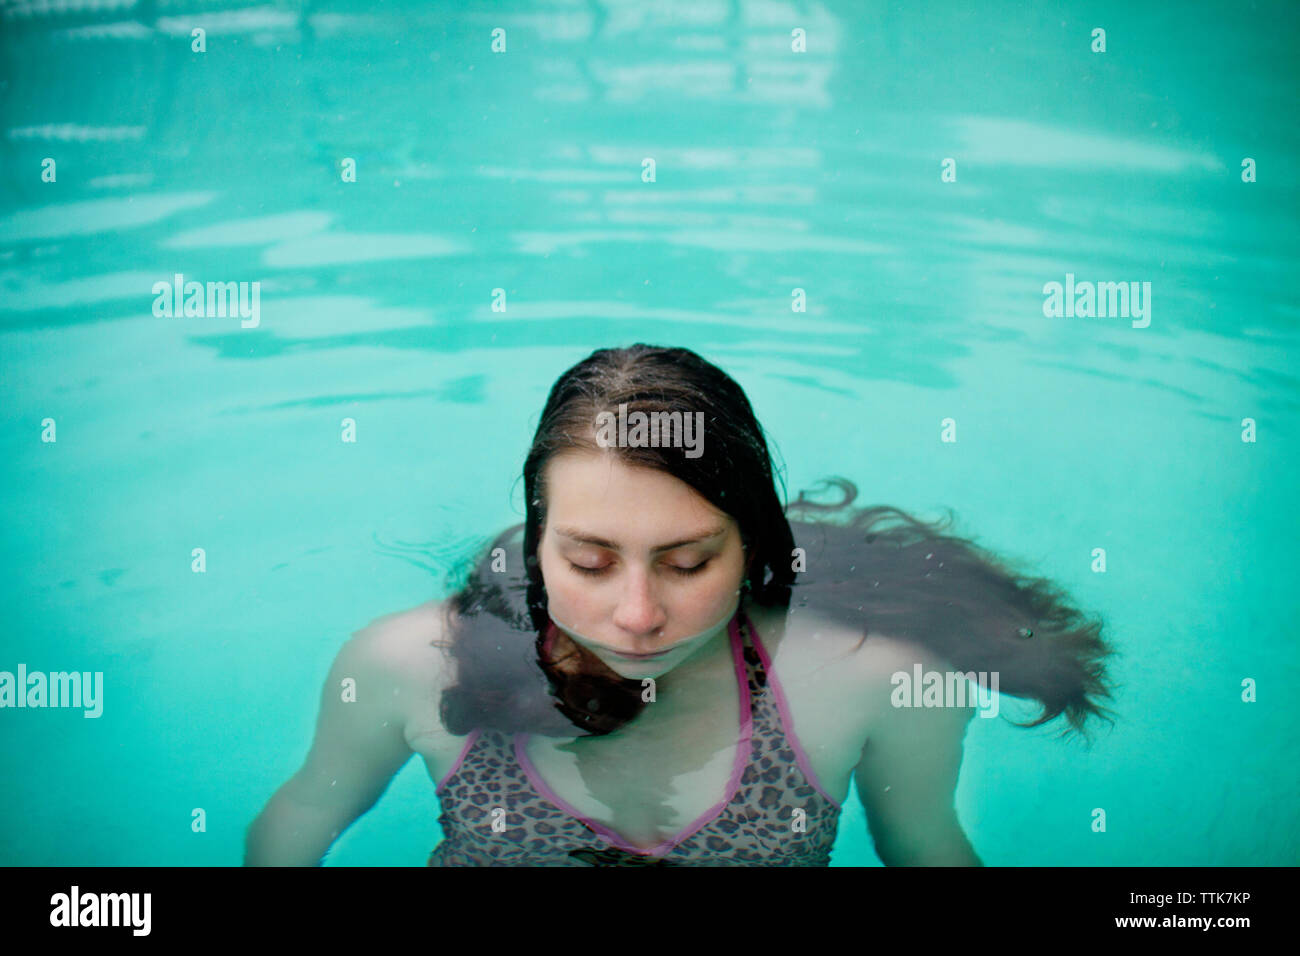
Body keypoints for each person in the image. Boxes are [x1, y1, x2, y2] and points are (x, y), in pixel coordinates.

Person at [245, 344, 1116, 866]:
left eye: (688, 562)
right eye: (589, 560)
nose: (636, 615)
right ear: (538, 543)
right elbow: (301, 818)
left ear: (754, 549)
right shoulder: (401, 665)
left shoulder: (877, 680)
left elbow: (925, 849)